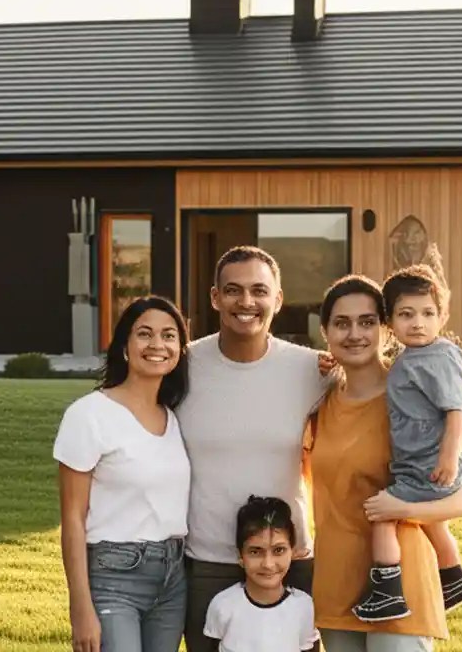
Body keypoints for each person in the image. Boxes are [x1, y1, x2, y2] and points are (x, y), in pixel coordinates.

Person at [307, 274, 462, 652]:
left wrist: (402, 508)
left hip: (401, 585)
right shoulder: (320, 398)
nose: (354, 334)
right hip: (335, 582)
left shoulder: (412, 396)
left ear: (385, 328)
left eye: (367, 322)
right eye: (341, 323)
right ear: (325, 331)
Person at [176, 245, 332, 652]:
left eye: (259, 291)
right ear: (215, 297)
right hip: (209, 560)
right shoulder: (181, 366)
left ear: (277, 300)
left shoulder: (312, 369)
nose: (246, 302)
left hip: (288, 559)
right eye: (233, 290)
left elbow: (369, 395)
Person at [54, 295, 193, 652]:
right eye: (144, 334)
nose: (157, 344)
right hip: (114, 576)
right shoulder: (89, 415)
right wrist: (80, 607)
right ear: (125, 347)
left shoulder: (173, 416)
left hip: (173, 578)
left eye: (169, 335)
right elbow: (72, 517)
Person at [351, 265, 462, 622]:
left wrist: (449, 458)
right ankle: (454, 577)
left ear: (443, 316)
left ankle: (387, 592)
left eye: (428, 314)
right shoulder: (414, 357)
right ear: (389, 322)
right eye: (406, 315)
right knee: (434, 522)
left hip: (429, 465)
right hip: (418, 462)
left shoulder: (437, 357)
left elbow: (456, 411)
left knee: (381, 514)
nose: (418, 323)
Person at [203, 496, 320, 652]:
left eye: (279, 550)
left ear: (292, 552)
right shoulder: (223, 606)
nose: (268, 564)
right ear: (240, 556)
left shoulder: (303, 606)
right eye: (255, 552)